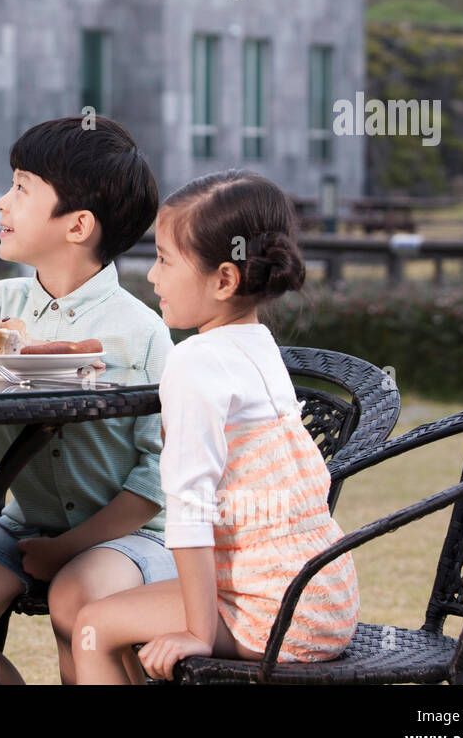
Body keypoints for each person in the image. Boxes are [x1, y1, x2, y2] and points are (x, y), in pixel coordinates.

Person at [72, 170, 360, 684]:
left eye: (163, 260)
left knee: (92, 624)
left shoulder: (195, 361)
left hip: (270, 608)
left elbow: (190, 506)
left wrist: (196, 633)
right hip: (322, 595)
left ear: (224, 279)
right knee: (116, 617)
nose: (153, 277)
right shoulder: (258, 344)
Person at [0, 115, 173, 684]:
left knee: (78, 607)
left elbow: (160, 476)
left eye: (22, 188)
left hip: (130, 536)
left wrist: (69, 549)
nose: (2, 203)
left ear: (77, 224)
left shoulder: (142, 332)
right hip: (20, 528)